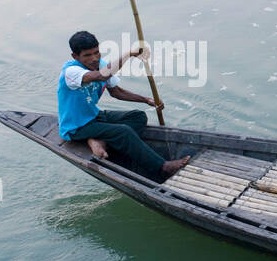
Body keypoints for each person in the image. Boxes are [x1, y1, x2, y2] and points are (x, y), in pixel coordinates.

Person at [57, 31, 189, 180]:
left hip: (94, 115)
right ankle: (163, 167)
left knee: (138, 117)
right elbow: (102, 76)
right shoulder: (71, 71)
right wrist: (128, 54)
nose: (94, 59)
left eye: (96, 53)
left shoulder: (100, 64)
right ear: (75, 56)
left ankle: (99, 141)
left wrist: (146, 100)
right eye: (87, 55)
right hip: (76, 126)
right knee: (123, 132)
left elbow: (116, 92)